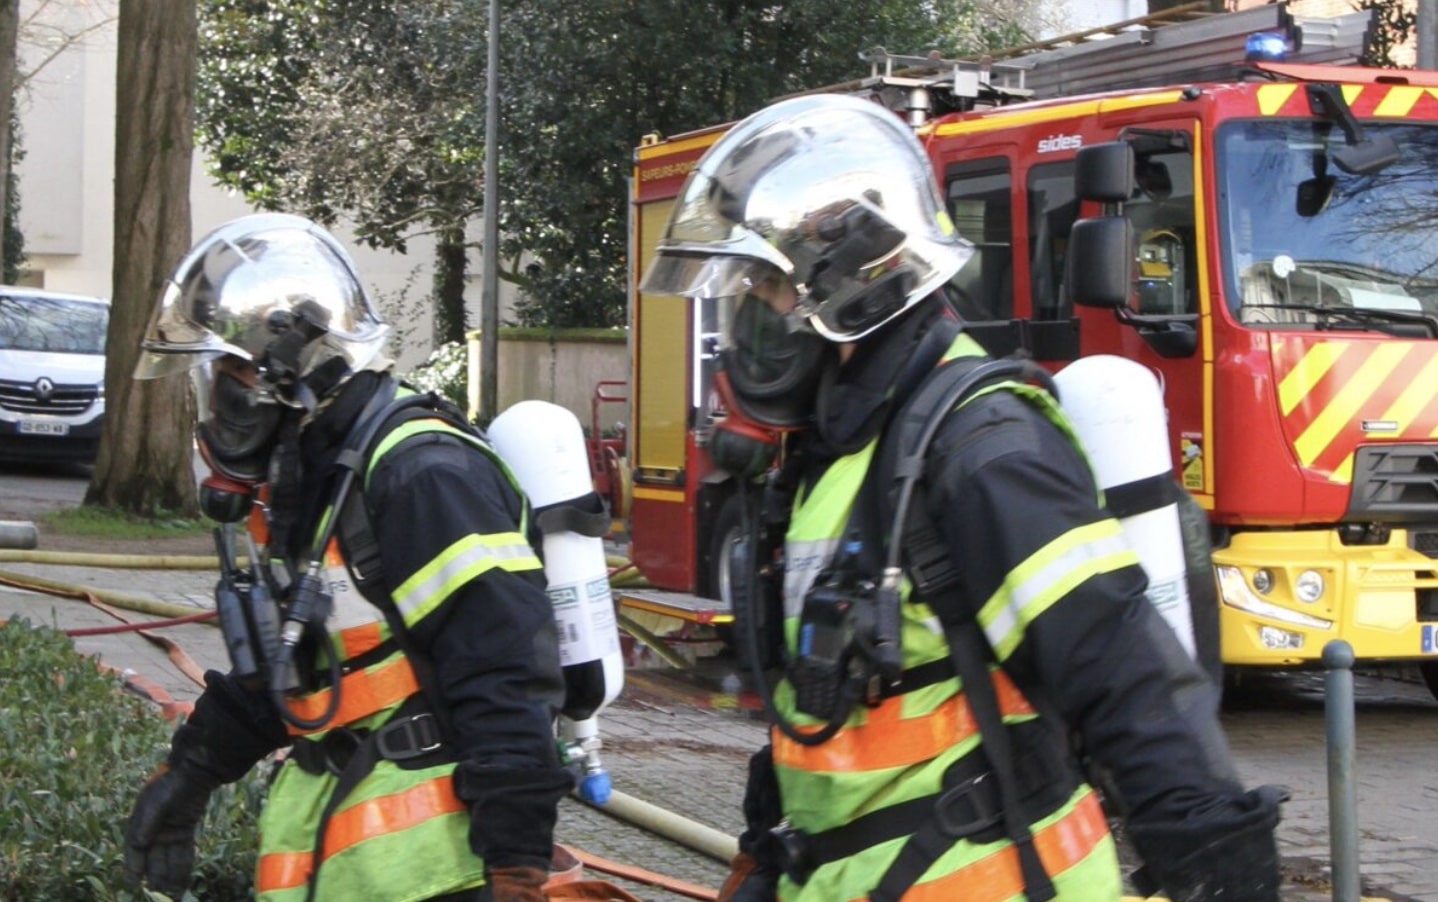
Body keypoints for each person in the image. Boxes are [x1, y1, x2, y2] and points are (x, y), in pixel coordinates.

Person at [640, 94, 1284, 901]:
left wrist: (1217, 862)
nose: (751, 320)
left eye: (765, 288)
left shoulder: (984, 445)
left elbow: (1118, 668)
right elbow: (831, 716)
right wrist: (770, 858)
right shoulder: (844, 448)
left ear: (849, 285)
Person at [123, 214, 573, 901]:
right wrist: (192, 772)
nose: (214, 404)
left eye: (224, 374)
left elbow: (506, 674)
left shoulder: (423, 475)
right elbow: (303, 670)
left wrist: (516, 868)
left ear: (278, 370)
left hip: (441, 875)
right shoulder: (321, 478)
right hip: (347, 862)